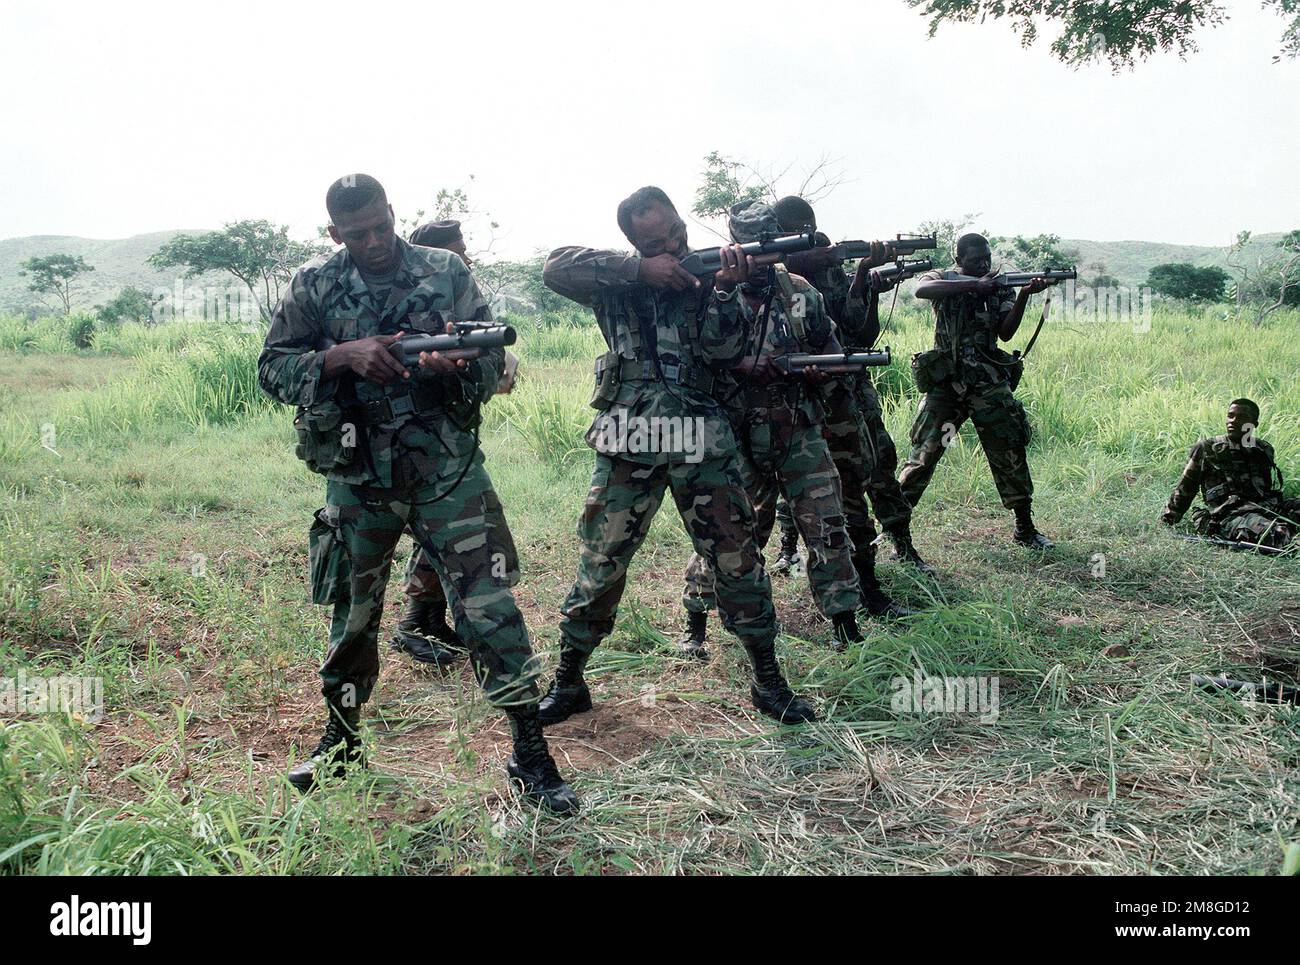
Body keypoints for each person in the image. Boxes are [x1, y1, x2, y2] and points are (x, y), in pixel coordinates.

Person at [258, 174, 578, 813]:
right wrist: (341, 357)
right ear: (334, 234)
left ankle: (530, 753)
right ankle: (341, 741)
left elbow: (493, 361)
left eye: (381, 225)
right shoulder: (314, 285)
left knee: (491, 609)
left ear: (393, 213)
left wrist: (458, 365)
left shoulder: (444, 270)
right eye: (357, 234)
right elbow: (271, 368)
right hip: (358, 481)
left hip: (447, 473)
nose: (374, 242)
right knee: (351, 620)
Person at [539, 186, 817, 725]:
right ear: (634, 244)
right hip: (631, 438)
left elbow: (726, 350)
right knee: (602, 560)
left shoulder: (712, 278)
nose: (672, 244)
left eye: (676, 233)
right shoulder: (616, 282)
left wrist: (723, 291)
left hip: (698, 437)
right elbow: (556, 267)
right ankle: (569, 680)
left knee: (737, 559)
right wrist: (640, 271)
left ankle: (767, 679)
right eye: (655, 242)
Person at [679, 200, 872, 657]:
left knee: (827, 525)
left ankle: (845, 625)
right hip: (737, 436)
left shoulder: (799, 289)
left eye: (772, 246)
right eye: (754, 249)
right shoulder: (710, 291)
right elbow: (700, 358)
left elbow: (827, 341)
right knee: (730, 536)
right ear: (734, 246)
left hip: (798, 429)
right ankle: (696, 622)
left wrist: (819, 368)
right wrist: (745, 366)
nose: (765, 259)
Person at [392, 218, 519, 666]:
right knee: (459, 541)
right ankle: (422, 626)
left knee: (440, 537)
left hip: (450, 444)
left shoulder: (458, 296)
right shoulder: (406, 304)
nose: (465, 258)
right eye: (456, 251)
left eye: (464, 250)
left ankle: (424, 622)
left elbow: (498, 370)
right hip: (407, 449)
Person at [898, 233, 1057, 548]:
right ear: (959, 260)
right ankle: (897, 534)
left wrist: (1023, 295)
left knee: (1008, 450)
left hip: (986, 381)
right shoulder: (943, 277)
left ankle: (1025, 528)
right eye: (975, 260)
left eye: (986, 258)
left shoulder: (999, 286)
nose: (983, 264)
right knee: (922, 457)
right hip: (946, 383)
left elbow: (1007, 333)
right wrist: (973, 285)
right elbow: (921, 288)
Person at [1161, 398, 1298, 549]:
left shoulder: (1263, 449)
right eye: (1230, 415)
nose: (1233, 421)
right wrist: (1167, 520)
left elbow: (1265, 488)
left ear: (1254, 424)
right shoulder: (1208, 448)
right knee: (1280, 534)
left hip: (1265, 508)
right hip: (1230, 515)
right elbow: (1186, 487)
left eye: (1242, 417)